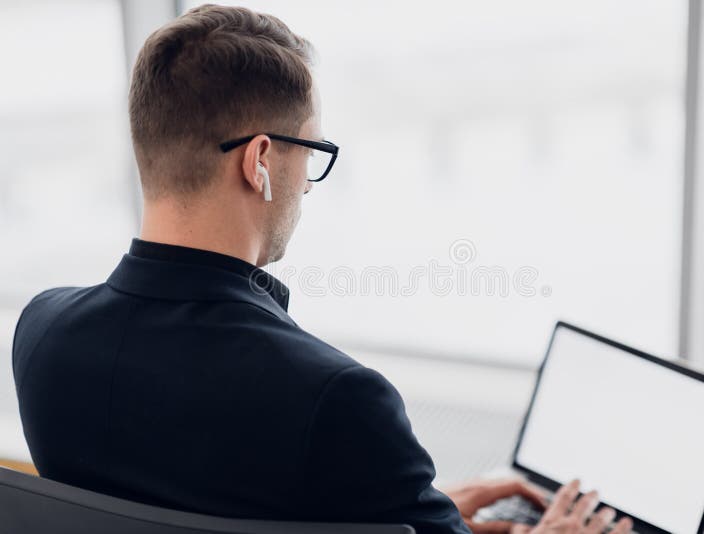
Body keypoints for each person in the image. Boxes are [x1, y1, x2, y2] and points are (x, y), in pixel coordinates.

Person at [12, 5, 632, 534]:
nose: (308, 184)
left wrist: (415, 508)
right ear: (259, 161)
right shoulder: (336, 400)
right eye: (311, 152)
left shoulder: (41, 335)